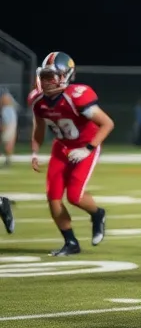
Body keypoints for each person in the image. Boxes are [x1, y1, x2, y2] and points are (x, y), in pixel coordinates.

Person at [28, 52, 111, 256]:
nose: (47, 81)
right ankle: (71, 242)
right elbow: (39, 127)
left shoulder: (77, 96)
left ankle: (97, 214)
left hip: (86, 145)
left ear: (66, 75)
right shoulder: (38, 100)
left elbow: (107, 123)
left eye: (52, 76)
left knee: (74, 196)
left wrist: (87, 149)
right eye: (45, 76)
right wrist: (35, 151)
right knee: (53, 196)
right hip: (62, 147)